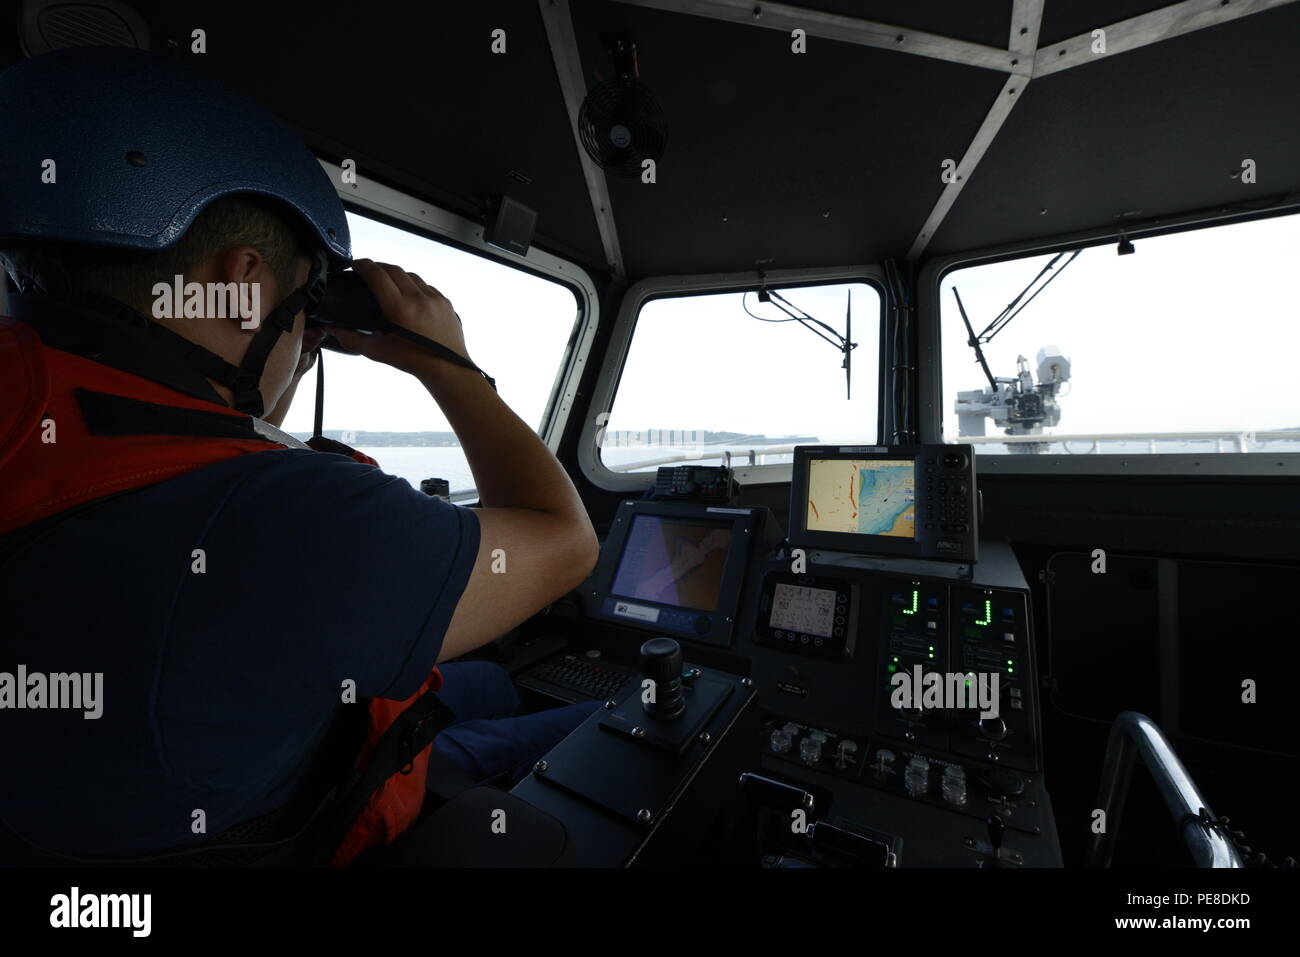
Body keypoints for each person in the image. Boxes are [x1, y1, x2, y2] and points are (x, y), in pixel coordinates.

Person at [0, 46, 599, 864]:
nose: (308, 336)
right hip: (317, 803)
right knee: (608, 713)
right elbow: (564, 538)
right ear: (242, 281)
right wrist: (445, 362)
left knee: (490, 682)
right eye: (304, 303)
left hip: (148, 811)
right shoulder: (297, 518)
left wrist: (278, 351)